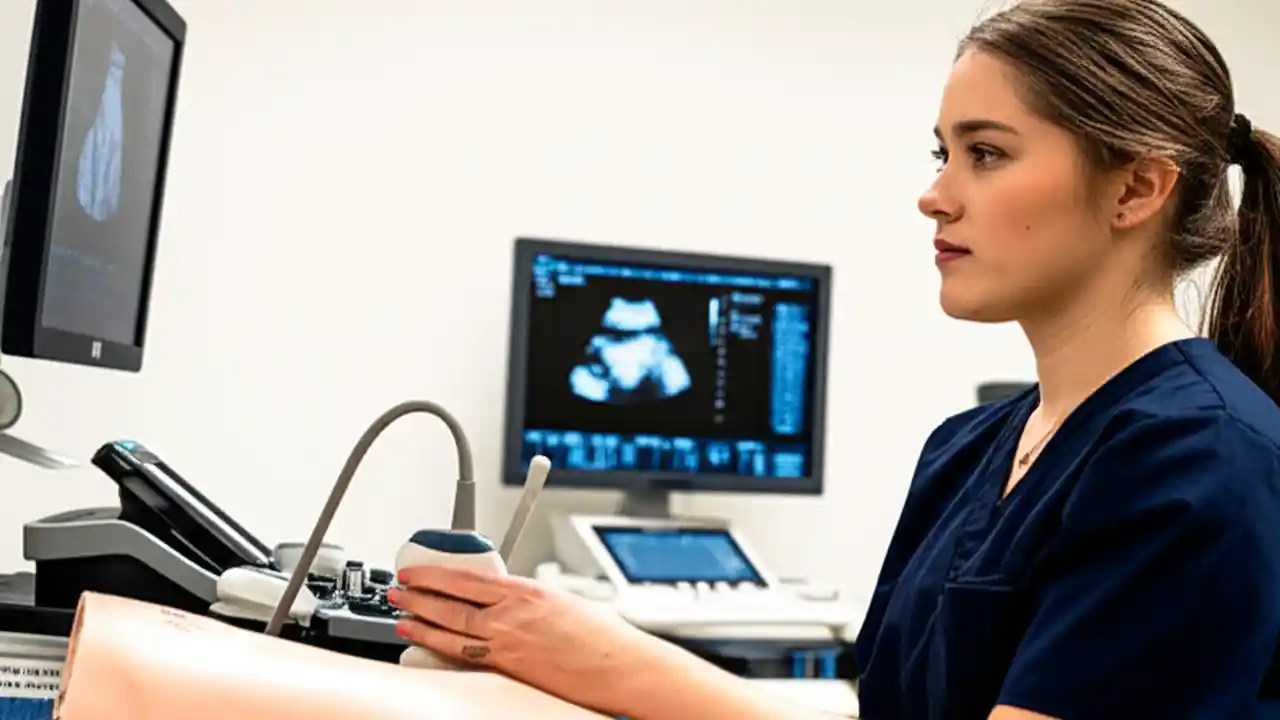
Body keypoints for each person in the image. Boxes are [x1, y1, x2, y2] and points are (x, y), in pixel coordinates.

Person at [387, 0, 1280, 717]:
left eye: (986, 154)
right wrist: (562, 640)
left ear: (1136, 187)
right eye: (943, 154)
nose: (935, 196)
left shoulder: (1202, 464)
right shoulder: (968, 448)